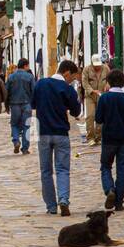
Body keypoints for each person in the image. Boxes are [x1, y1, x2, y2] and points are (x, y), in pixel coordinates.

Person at [32, 59, 81, 216]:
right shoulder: (67, 90)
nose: (71, 81)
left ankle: (51, 207)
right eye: (72, 78)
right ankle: (63, 200)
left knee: (46, 171)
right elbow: (76, 111)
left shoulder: (40, 84)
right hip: (61, 133)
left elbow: (33, 104)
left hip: (43, 133)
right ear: (66, 73)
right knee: (62, 169)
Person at [95, 69, 124, 212]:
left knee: (106, 166)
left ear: (108, 82)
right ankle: (119, 202)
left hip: (109, 138)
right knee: (122, 170)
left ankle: (109, 189)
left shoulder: (104, 98)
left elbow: (98, 119)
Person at [5, 57, 36, 155]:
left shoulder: (11, 77)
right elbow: (34, 91)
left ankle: (16, 140)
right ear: (25, 66)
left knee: (14, 124)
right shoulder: (30, 77)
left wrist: (6, 105)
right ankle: (25, 148)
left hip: (14, 104)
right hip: (27, 104)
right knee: (26, 125)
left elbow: (7, 92)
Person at [81, 55, 111, 146]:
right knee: (90, 115)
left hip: (102, 95)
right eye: (95, 65)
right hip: (90, 96)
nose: (97, 67)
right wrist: (91, 90)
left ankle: (99, 137)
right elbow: (84, 82)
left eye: (99, 65)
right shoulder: (86, 70)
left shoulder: (106, 68)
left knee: (101, 116)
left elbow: (109, 78)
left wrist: (108, 84)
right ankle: (90, 137)